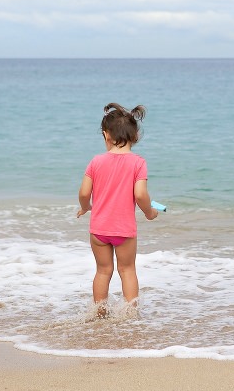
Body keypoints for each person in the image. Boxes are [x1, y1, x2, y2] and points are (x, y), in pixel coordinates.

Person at [77, 103, 158, 317]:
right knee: (127, 270)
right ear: (136, 135)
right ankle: (130, 316)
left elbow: (84, 193)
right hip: (123, 230)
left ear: (106, 135)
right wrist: (149, 212)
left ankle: (99, 314)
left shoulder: (96, 161)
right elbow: (140, 195)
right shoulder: (138, 163)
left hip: (99, 229)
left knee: (103, 272)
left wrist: (86, 208)